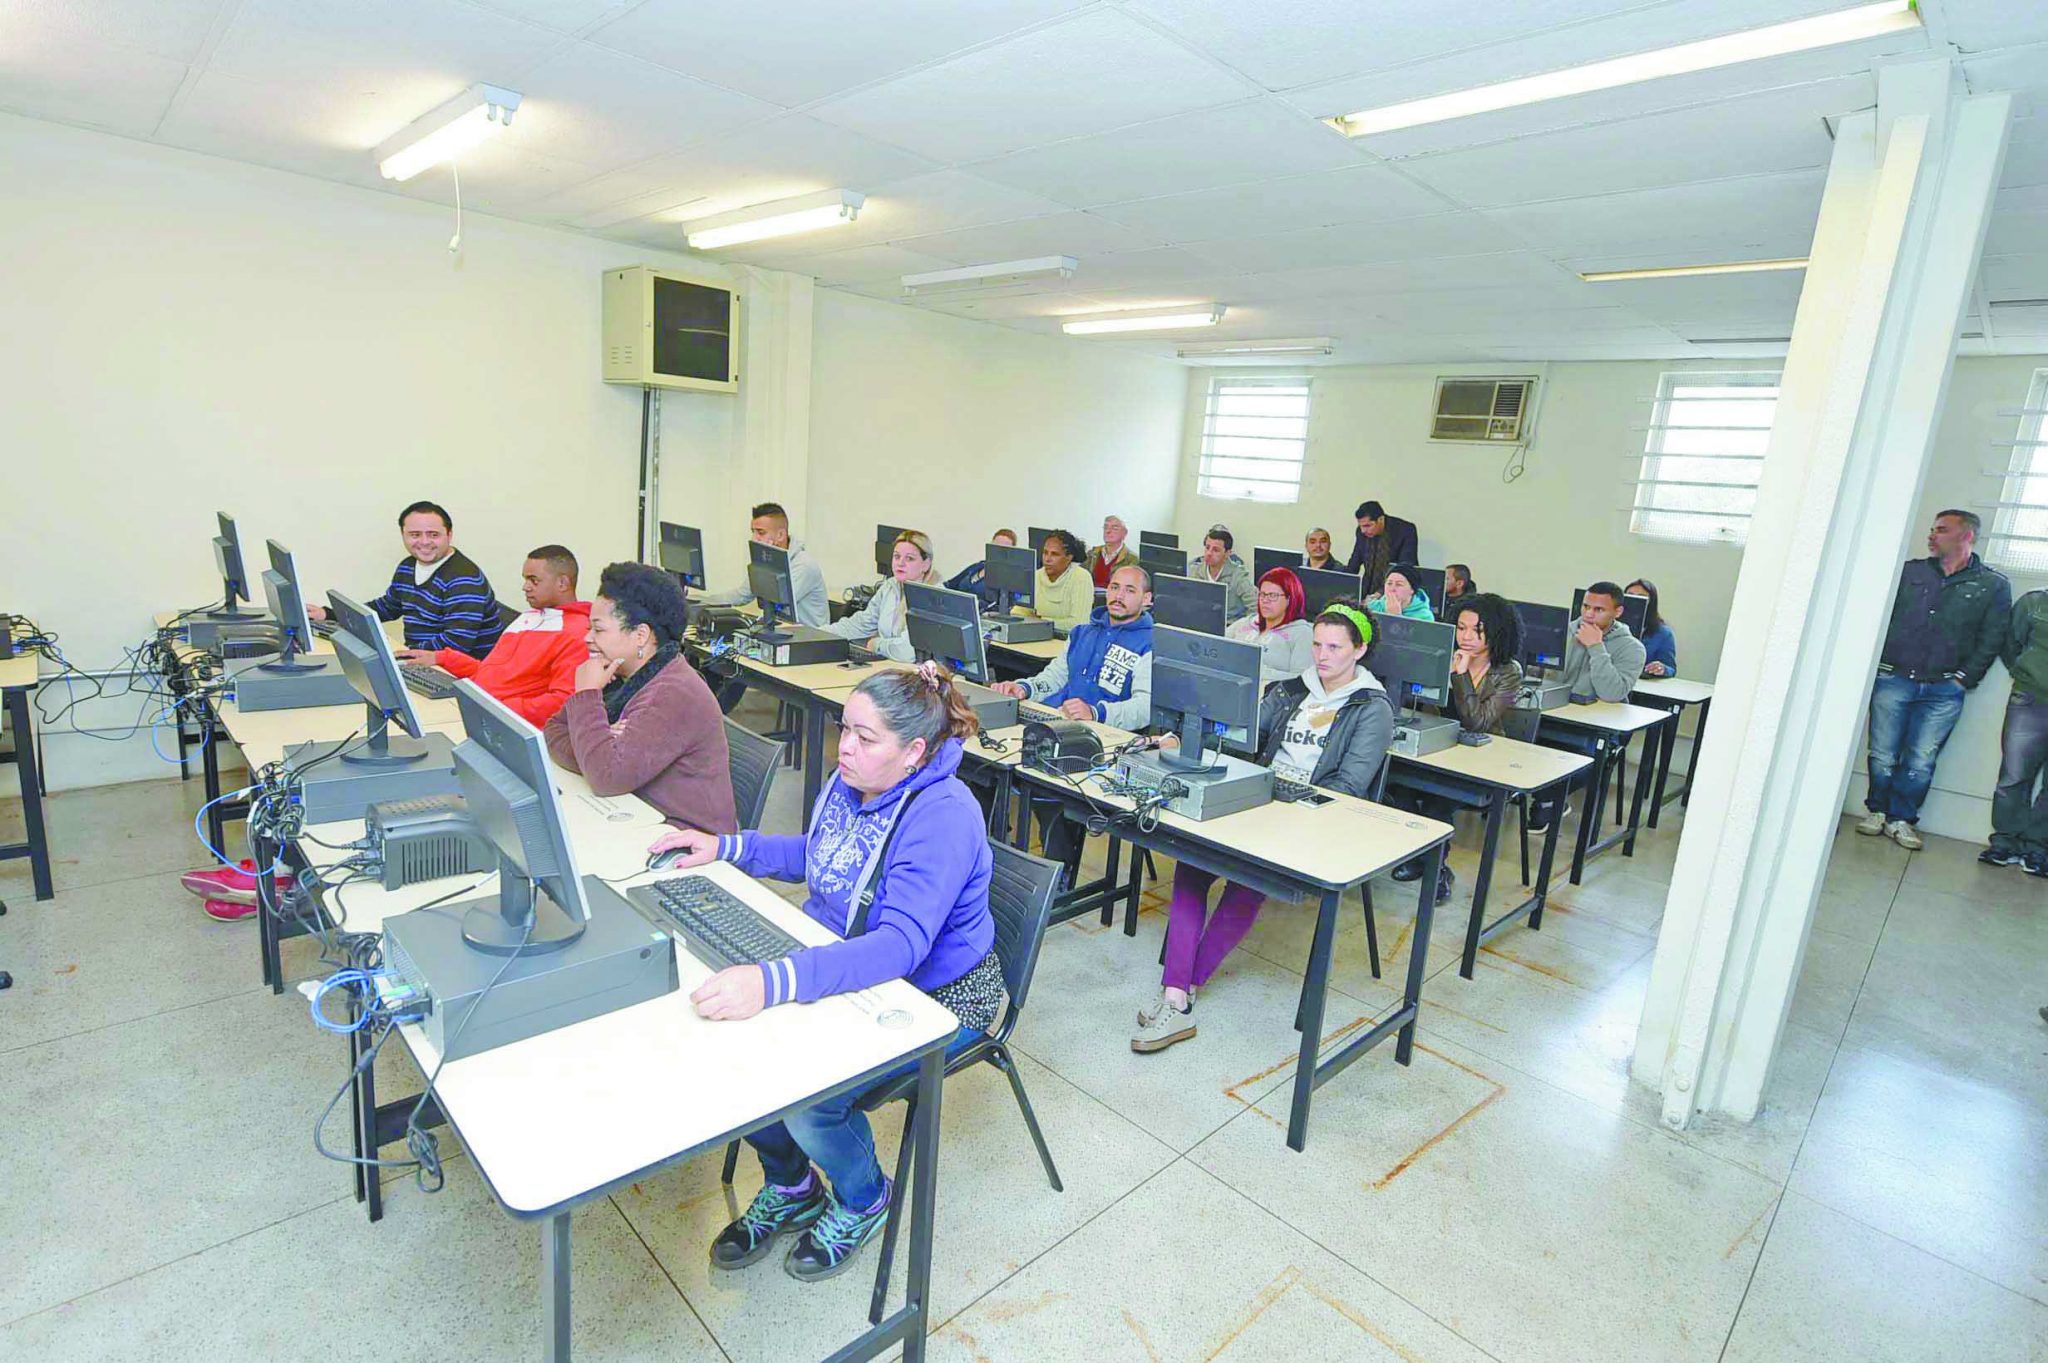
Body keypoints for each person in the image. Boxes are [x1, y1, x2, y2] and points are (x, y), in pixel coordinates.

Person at [646, 664, 999, 1282]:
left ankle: (865, 1197)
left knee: (811, 1102)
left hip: (939, 996)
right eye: (846, 729)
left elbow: (899, 947)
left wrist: (775, 981)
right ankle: (793, 1185)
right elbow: (816, 855)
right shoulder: (853, 782)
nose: (846, 748)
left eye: (866, 738)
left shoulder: (943, 815)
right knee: (736, 1051)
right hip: (854, 959)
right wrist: (727, 847)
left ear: (914, 751)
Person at [1133, 604, 1393, 1053]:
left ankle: (1180, 991)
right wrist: (1184, 738)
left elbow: (1348, 786)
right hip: (1264, 797)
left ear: (1360, 650)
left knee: (1247, 881)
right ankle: (1178, 993)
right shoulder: (1295, 689)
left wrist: (1278, 803)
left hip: (1313, 817)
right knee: (1193, 862)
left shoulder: (1372, 708)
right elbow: (1244, 734)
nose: (1322, 656)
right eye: (1317, 644)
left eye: (1334, 647)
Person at [544, 562, 737, 834]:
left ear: (641, 635)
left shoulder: (672, 692)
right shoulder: (621, 676)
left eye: (598, 629)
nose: (587, 638)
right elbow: (552, 731)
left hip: (685, 841)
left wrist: (587, 698)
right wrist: (598, 744)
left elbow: (605, 777)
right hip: (640, 815)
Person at [1859, 510, 2012, 850]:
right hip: (1894, 678)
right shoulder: (1909, 573)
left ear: (1966, 536)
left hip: (1944, 688)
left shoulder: (1992, 585)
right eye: (1932, 529)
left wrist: (1964, 679)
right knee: (1882, 753)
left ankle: (1902, 819)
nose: (1932, 535)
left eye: (1941, 530)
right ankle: (1877, 812)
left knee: (1921, 759)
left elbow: (1994, 637)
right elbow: (1877, 617)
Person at [995, 564, 1155, 871]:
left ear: (1147, 599)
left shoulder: (1150, 643)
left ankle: (1058, 880)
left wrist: (1098, 712)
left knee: (1050, 796)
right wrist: (1024, 688)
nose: (1118, 596)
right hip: (1059, 728)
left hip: (1102, 745)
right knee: (994, 772)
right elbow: (1055, 676)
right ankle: (997, 865)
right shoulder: (1084, 631)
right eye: (1114, 587)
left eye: (1129, 590)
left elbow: (1145, 707)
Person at [1392, 594, 1524, 901]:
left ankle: (1435, 868)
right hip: (1437, 749)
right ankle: (1419, 856)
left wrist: (1460, 676)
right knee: (1399, 786)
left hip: (1481, 758)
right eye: (1461, 628)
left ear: (1496, 632)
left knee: (1438, 799)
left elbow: (1479, 722)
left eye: (1477, 630)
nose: (1466, 637)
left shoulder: (1507, 671)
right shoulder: (1442, 656)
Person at [395, 545, 589, 726]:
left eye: (534, 580)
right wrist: (441, 657)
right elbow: (493, 674)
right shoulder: (531, 617)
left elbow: (562, 702)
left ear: (563, 583)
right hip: (478, 707)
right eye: (525, 579)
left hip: (502, 722)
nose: (525, 587)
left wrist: (494, 707)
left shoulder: (577, 633)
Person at [308, 500, 502, 659]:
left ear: (449, 535)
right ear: (403, 535)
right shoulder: (408, 566)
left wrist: (401, 655)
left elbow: (455, 645)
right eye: (415, 535)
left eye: (433, 535)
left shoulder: (464, 580)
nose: (424, 542)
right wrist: (330, 614)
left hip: (457, 672)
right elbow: (387, 607)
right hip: (424, 661)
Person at [1985, 588, 2048, 874]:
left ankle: (2038, 849)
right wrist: (2025, 674)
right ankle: (2005, 843)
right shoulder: (2034, 603)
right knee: (2013, 775)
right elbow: (2010, 643)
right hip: (2029, 700)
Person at [826, 530, 935, 662]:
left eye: (909, 558)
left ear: (926, 564)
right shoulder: (890, 587)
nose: (900, 563)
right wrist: (816, 633)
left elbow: (906, 652)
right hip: (891, 666)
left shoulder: (931, 597)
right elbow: (860, 625)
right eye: (896, 556)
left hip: (917, 674)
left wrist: (876, 644)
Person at [1560, 581, 1646, 703]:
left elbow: (1612, 694)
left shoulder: (1633, 648)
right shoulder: (1564, 632)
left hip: (1599, 718)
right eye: (1586, 607)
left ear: (1618, 612)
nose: (1588, 614)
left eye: (1598, 610)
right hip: (1558, 709)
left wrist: (1595, 647)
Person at [1228, 567, 1312, 687]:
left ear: (1290, 598)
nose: (1265, 600)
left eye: (1272, 595)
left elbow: (1303, 680)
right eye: (1262, 594)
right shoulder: (1246, 622)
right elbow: (1217, 649)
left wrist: (1260, 672)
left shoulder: (1302, 633)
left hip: (1268, 697)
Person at [1344, 500, 1420, 595]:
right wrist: (1344, 584)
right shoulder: (1361, 532)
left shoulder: (1405, 530)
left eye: (1367, 526)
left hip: (1395, 591)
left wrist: (1380, 593)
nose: (1363, 531)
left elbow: (1405, 567)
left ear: (1380, 519)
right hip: (1367, 589)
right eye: (1361, 526)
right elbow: (1354, 562)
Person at [1026, 528, 1094, 632]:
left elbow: (1079, 623)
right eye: (1045, 553)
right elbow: (1019, 611)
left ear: (1068, 558)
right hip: (1034, 636)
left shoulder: (1081, 578)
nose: (1047, 559)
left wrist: (1041, 621)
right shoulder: (1036, 575)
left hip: (1066, 642)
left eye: (1054, 554)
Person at [1190, 525, 1256, 624]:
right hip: (1200, 624)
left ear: (1227, 553)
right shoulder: (1195, 571)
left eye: (1215, 550)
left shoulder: (1239, 576)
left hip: (1229, 627)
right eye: (1207, 548)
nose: (1209, 553)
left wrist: (1242, 629)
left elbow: (1255, 608)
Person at [945, 528, 1018, 613]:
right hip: (955, 613)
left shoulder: (1009, 579)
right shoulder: (978, 566)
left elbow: (1003, 607)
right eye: (995, 546)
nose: (997, 551)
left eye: (1003, 549)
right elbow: (950, 584)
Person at [1627, 579, 1677, 678]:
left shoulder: (1663, 633)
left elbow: (1671, 669)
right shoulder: (1611, 626)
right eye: (1630, 596)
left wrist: (1662, 668)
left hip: (1641, 685)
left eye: (1641, 597)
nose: (1635, 601)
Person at [1366, 564, 1436, 621]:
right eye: (1389, 583)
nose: (1392, 589)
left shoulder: (1424, 617)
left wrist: (1396, 617)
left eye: (1399, 584)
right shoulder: (1372, 607)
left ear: (1412, 590)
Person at [1087, 516, 1138, 588]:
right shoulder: (1093, 553)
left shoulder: (1131, 559)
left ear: (1124, 533)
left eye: (1114, 528)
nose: (1108, 531)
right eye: (1106, 527)